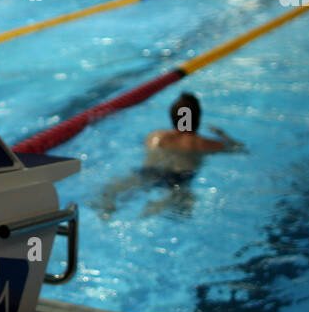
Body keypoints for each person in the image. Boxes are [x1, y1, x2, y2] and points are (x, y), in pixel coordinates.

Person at [97, 92, 242, 219]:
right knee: (183, 209)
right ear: (197, 118)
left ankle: (107, 209)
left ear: (173, 117)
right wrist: (222, 134)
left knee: (111, 190)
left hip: (149, 173)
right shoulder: (205, 144)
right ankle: (156, 208)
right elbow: (238, 148)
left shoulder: (155, 136)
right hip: (179, 179)